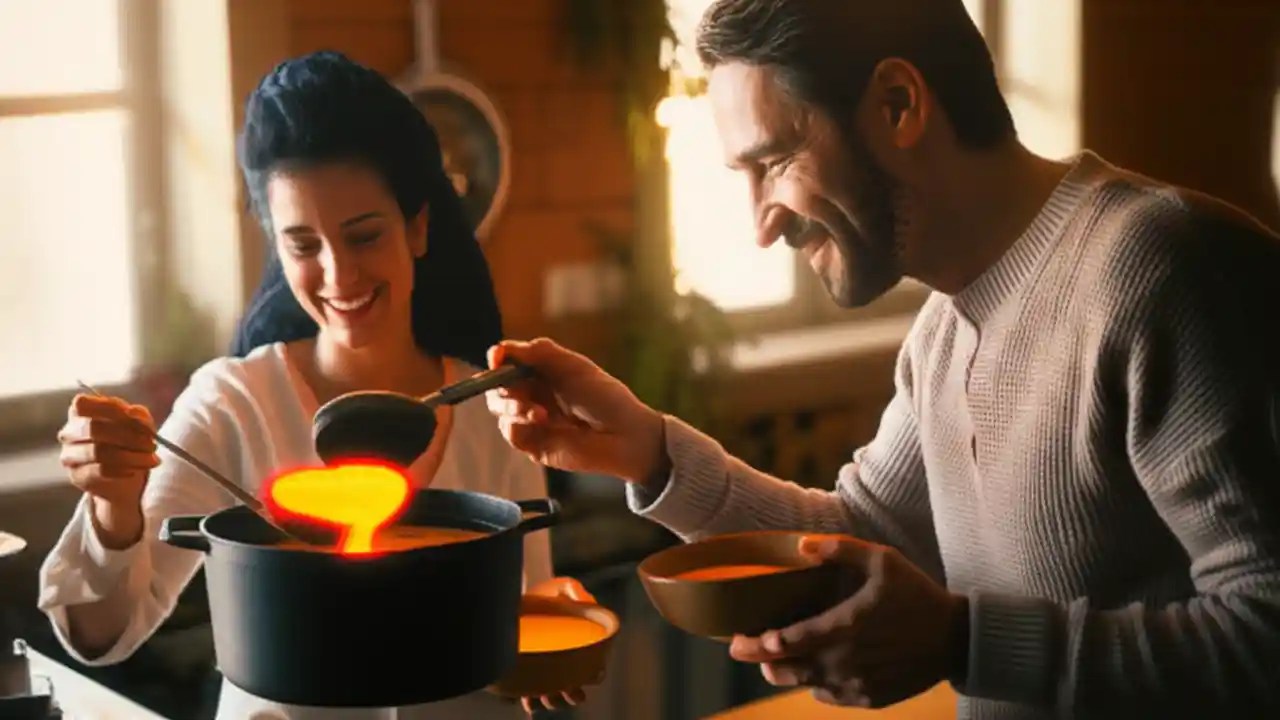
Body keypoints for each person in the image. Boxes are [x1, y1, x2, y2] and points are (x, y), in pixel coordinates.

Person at [485, 1, 1280, 718]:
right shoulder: (942, 330)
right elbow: (860, 536)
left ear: (898, 105)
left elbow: (1266, 632)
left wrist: (962, 645)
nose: (762, 226)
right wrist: (648, 451)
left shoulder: (1166, 270)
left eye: (775, 161)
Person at [39, 51, 594, 719]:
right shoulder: (232, 404)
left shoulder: (494, 409)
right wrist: (112, 506)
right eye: (304, 246)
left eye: (363, 236)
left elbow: (519, 623)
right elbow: (101, 635)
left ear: (418, 227)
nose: (339, 275)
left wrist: (554, 616)